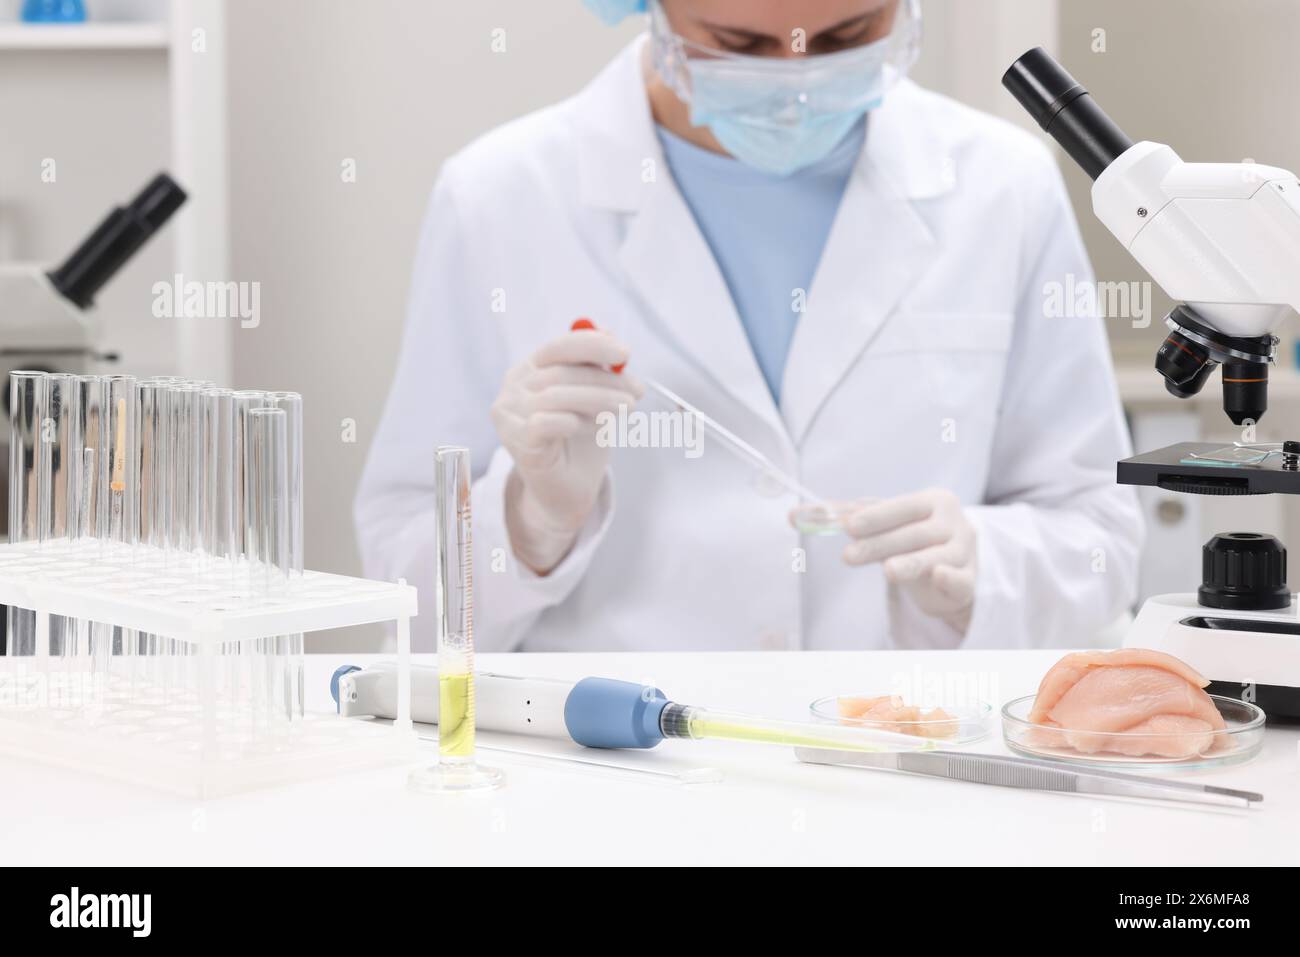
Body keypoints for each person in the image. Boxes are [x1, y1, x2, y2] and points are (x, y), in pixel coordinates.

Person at [356, 0, 1143, 653]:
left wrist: (987, 566)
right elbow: (406, 581)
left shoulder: (1004, 187)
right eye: (738, 45)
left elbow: (1100, 530)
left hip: (902, 769)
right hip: (611, 784)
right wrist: (527, 522)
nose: (795, 76)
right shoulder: (501, 196)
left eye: (845, 38)